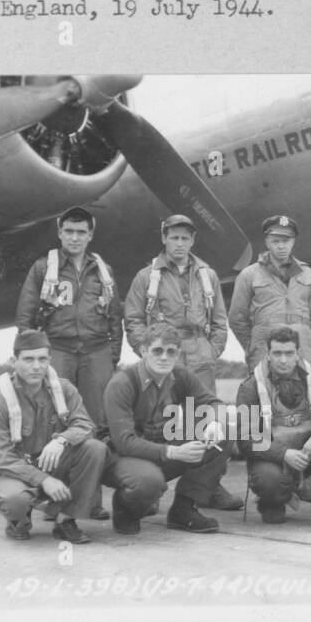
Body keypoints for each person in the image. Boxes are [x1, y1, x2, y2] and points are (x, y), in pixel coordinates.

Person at [123, 214, 242, 511]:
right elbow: (134, 319)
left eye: (185, 238)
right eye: (174, 237)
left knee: (206, 420)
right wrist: (149, 355)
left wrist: (211, 351)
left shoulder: (207, 274)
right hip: (164, 356)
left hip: (200, 353)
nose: (179, 243)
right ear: (164, 238)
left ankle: (209, 486)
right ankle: (152, 487)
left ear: (193, 240)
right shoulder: (146, 276)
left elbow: (219, 320)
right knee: (159, 421)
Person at [15, 205, 121, 519]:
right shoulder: (41, 268)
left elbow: (115, 317)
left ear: (91, 235)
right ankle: (54, 498)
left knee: (95, 425)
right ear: (60, 233)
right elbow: (25, 318)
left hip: (96, 350)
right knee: (57, 421)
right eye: (69, 231)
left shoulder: (103, 270)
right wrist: (30, 359)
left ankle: (92, 501)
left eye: (81, 232)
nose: (75, 238)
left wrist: (111, 358)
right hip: (57, 348)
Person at [102, 322, 231, 535]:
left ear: (178, 353)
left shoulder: (181, 376)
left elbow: (214, 403)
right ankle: (125, 507)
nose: (164, 357)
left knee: (226, 433)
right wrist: (174, 452)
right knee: (150, 481)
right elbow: (124, 442)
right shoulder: (122, 383)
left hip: (160, 448)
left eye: (171, 351)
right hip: (121, 457)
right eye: (157, 351)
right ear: (143, 351)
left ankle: (183, 509)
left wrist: (215, 424)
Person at [0, 329, 108, 544]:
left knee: (95, 448)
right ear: (14, 361)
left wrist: (62, 440)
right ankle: (18, 521)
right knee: (14, 500)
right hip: (16, 469)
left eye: (42, 359)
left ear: (50, 360)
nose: (36, 366)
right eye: (28, 359)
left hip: (54, 463)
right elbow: (2, 458)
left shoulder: (64, 389)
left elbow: (86, 425)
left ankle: (65, 520)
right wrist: (45, 480)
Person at [234, 327, 311, 529]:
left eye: (289, 353)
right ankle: (272, 501)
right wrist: (283, 454)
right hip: (274, 456)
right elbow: (247, 439)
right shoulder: (251, 387)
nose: (283, 360)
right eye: (277, 353)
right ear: (268, 355)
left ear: (298, 353)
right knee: (268, 480)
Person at [228, 215, 311, 369]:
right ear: (267, 242)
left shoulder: (307, 273)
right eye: (275, 241)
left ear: (293, 242)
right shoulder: (249, 274)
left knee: (304, 390)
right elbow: (236, 318)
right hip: (264, 348)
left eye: (286, 241)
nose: (281, 246)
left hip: (302, 348)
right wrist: (253, 345)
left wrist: (304, 337)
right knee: (265, 391)